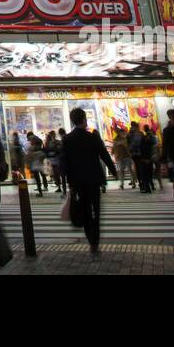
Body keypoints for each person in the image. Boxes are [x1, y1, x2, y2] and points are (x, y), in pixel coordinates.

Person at [62, 107, 116, 254]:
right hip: (94, 179)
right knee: (95, 209)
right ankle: (95, 239)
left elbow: (64, 163)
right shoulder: (92, 136)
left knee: (84, 209)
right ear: (84, 119)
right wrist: (113, 171)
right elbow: (104, 154)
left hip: (78, 181)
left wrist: (67, 182)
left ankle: (90, 238)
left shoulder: (67, 139)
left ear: (73, 121)